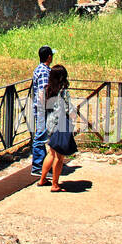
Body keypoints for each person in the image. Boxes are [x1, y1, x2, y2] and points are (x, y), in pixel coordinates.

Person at [38, 64, 79, 192]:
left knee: (51, 152)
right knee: (59, 157)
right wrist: (74, 117)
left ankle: (42, 179)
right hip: (60, 124)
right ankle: (55, 184)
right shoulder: (63, 92)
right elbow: (68, 109)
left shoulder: (46, 90)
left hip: (49, 123)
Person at [30, 46, 53, 176]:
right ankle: (38, 167)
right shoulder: (44, 71)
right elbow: (42, 92)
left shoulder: (39, 69)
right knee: (40, 136)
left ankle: (43, 165)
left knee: (42, 136)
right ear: (49, 57)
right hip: (42, 109)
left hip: (41, 108)